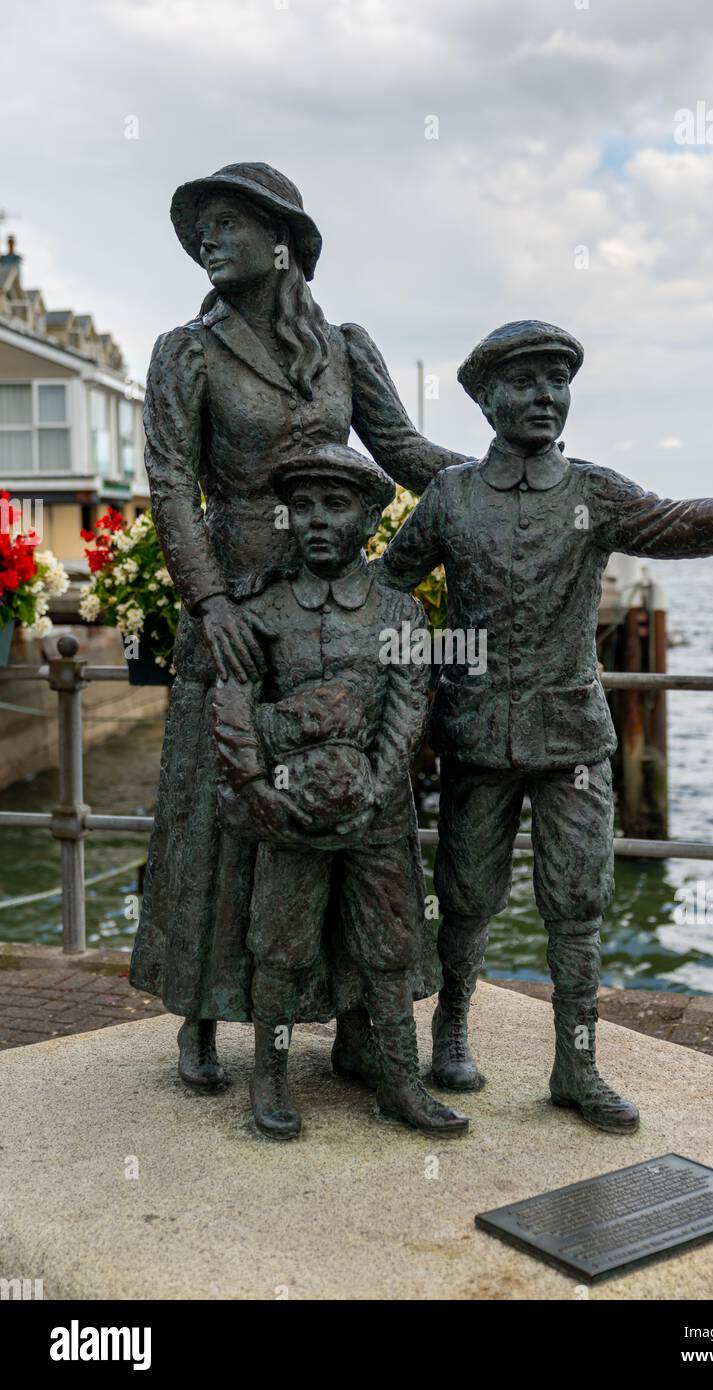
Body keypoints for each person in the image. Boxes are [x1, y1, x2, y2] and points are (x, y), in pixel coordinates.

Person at [376, 319, 713, 1135]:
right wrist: (429, 662)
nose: (544, 395)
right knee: (466, 896)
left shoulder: (592, 493)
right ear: (484, 399)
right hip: (475, 733)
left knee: (578, 904)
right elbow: (389, 591)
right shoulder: (451, 498)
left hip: (573, 740)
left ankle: (575, 1065)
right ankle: (450, 1031)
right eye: (523, 381)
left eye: (556, 379)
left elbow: (670, 523)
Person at [128, 163, 465, 1092]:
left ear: (284, 239)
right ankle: (198, 1011)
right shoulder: (184, 352)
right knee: (212, 811)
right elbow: (171, 487)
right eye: (201, 225)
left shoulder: (346, 348)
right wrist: (210, 604)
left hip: (335, 604)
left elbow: (402, 454)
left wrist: (498, 476)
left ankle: (357, 1016)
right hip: (234, 607)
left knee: (342, 795)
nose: (208, 238)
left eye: (228, 221)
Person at [211, 443, 468, 1140]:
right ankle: (271, 1074)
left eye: (336, 505)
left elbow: (407, 711)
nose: (317, 520)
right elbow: (232, 705)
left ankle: (399, 1079)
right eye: (303, 507)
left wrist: (373, 794)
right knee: (281, 946)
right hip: (286, 812)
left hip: (375, 817)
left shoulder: (401, 613)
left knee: (390, 944)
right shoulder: (260, 610)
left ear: (369, 519)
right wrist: (262, 790)